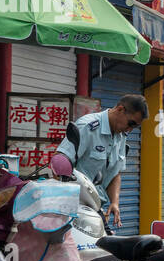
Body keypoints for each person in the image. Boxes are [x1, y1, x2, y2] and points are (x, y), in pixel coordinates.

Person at [52, 94, 147, 231]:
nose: (130, 129)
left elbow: (115, 174)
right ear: (120, 110)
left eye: (135, 127)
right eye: (130, 123)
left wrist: (114, 202)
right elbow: (59, 162)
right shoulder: (87, 127)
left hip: (95, 210)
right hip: (72, 210)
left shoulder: (121, 135)